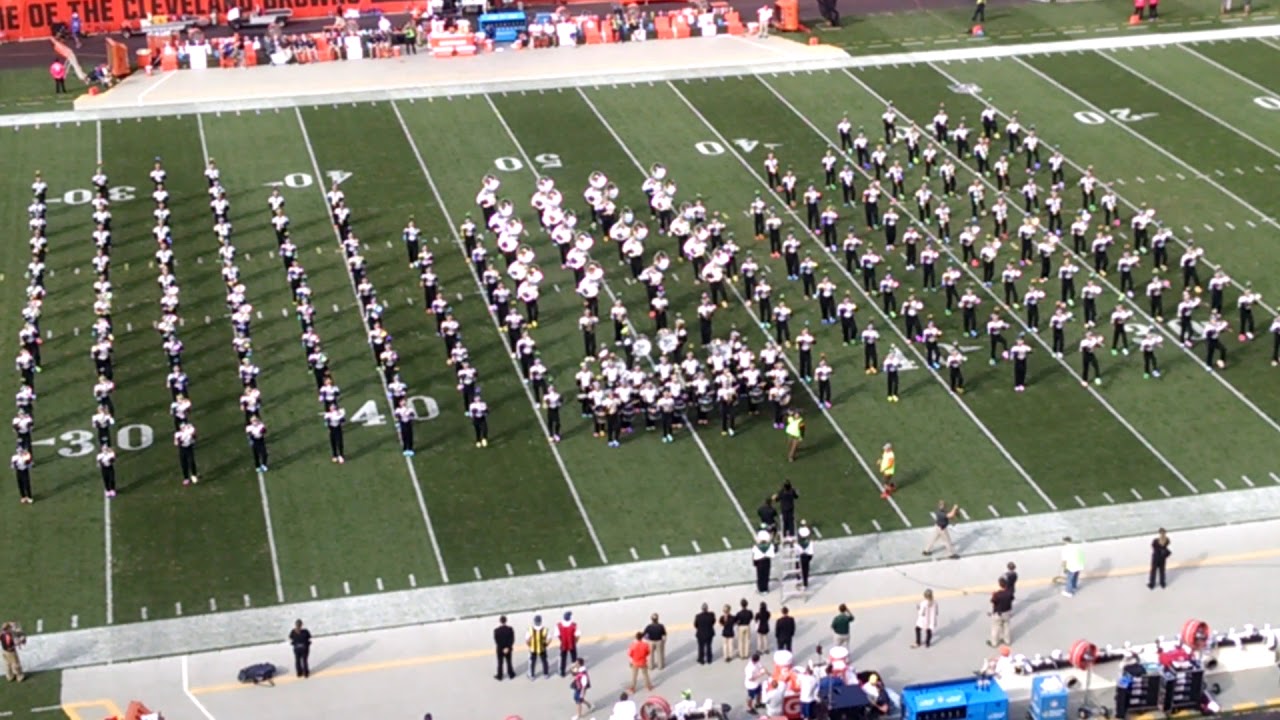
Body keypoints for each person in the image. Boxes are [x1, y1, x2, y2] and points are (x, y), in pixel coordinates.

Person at [988, 577, 1013, 647]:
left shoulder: (997, 594)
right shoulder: (1009, 593)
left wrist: (993, 595)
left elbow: (993, 602)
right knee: (1006, 627)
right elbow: (1011, 599)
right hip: (1007, 612)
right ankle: (1007, 641)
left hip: (998, 613)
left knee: (995, 628)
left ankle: (994, 643)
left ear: (999, 585)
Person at [527, 615, 551, 679]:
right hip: (542, 648)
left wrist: (529, 645)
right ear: (541, 621)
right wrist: (546, 645)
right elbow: (549, 638)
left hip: (533, 648)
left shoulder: (530, 629)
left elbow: (527, 639)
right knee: (544, 661)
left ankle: (532, 675)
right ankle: (546, 674)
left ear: (534, 621)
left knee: (532, 662)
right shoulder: (545, 629)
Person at [558, 611, 580, 676]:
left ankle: (562, 672)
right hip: (572, 644)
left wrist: (562, 640)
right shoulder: (574, 625)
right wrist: (575, 641)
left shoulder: (559, 625)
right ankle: (574, 672)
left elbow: (558, 635)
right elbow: (578, 635)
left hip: (563, 644)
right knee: (574, 658)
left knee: (563, 659)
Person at [493, 615, 516, 680]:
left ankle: (499, 675)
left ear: (500, 621)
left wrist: (502, 648)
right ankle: (511, 674)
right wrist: (508, 647)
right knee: (509, 661)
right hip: (508, 649)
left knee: (500, 662)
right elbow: (512, 639)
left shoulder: (496, 631)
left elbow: (497, 641)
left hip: (500, 649)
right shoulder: (510, 629)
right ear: (506, 621)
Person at [796, 524, 815, 589]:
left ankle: (799, 581)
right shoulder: (810, 542)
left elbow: (796, 551)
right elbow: (811, 553)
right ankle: (805, 583)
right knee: (805, 570)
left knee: (798, 569)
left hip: (799, 557)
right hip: (806, 557)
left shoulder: (797, 542)